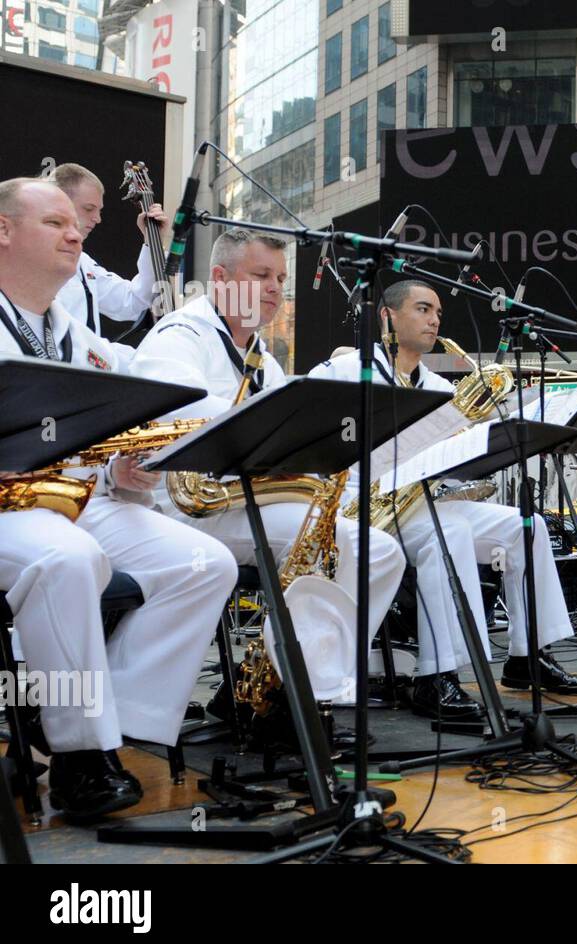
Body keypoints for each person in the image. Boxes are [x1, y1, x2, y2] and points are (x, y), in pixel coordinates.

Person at [0, 177, 237, 818]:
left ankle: (122, 723)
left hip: (72, 501)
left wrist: (133, 459)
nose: (76, 232)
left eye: (74, 224)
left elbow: (141, 381)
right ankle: (81, 755)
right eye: (55, 223)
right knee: (66, 559)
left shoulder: (69, 327)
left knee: (205, 564)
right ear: (4, 231)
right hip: (7, 507)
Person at [130, 229, 405, 703]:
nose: (277, 288)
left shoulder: (262, 358)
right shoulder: (180, 335)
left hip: (243, 502)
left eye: (280, 277)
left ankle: (285, 683)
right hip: (185, 509)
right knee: (348, 549)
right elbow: (183, 416)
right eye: (262, 275)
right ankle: (289, 692)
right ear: (220, 278)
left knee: (380, 551)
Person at [308, 280, 577, 720]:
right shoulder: (347, 370)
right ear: (388, 316)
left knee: (524, 527)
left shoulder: (441, 387)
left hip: (420, 498)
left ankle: (527, 657)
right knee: (450, 532)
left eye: (437, 312)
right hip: (364, 504)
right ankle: (437, 676)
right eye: (422, 309)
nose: (435, 320)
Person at [47, 163, 166, 343]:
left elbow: (131, 302)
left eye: (99, 210)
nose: (97, 218)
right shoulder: (28, 258)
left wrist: (152, 242)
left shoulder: (83, 262)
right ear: (60, 203)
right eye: (88, 209)